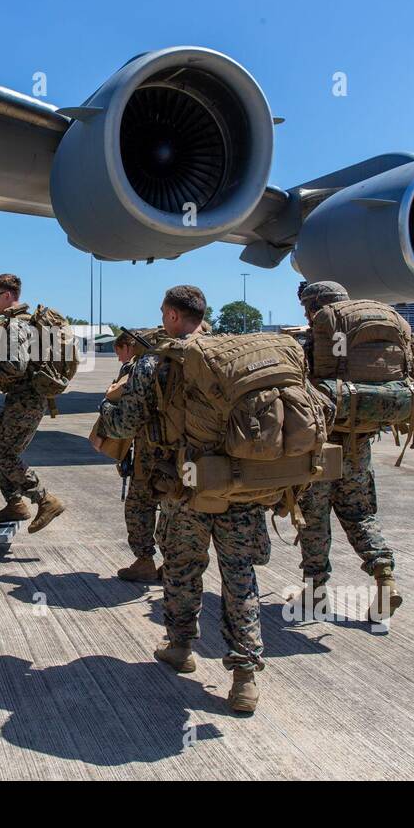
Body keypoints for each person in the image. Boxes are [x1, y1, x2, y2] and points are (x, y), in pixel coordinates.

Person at [98, 285, 265, 714]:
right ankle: (244, 676)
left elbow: (122, 426)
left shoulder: (156, 362)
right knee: (240, 577)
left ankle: (180, 647)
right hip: (240, 486)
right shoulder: (237, 357)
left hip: (186, 488)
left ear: (173, 316)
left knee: (183, 569)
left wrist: (109, 404)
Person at [294, 280, 400, 619]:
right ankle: (385, 577)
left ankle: (315, 592)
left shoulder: (315, 342)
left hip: (322, 446)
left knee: (314, 518)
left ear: (314, 307)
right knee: (359, 514)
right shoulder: (367, 340)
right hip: (359, 443)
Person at [0, 273, 65, 533]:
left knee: (5, 453)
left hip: (26, 399)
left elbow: (15, 367)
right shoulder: (17, 324)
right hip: (23, 398)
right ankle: (15, 503)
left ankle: (45, 499)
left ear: (8, 296)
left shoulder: (16, 325)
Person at [109, 329, 163, 583]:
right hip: (186, 453)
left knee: (139, 506)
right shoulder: (178, 361)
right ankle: (176, 565)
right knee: (176, 508)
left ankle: (144, 562)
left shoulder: (142, 367)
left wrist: (107, 408)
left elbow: (126, 423)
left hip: (149, 452)